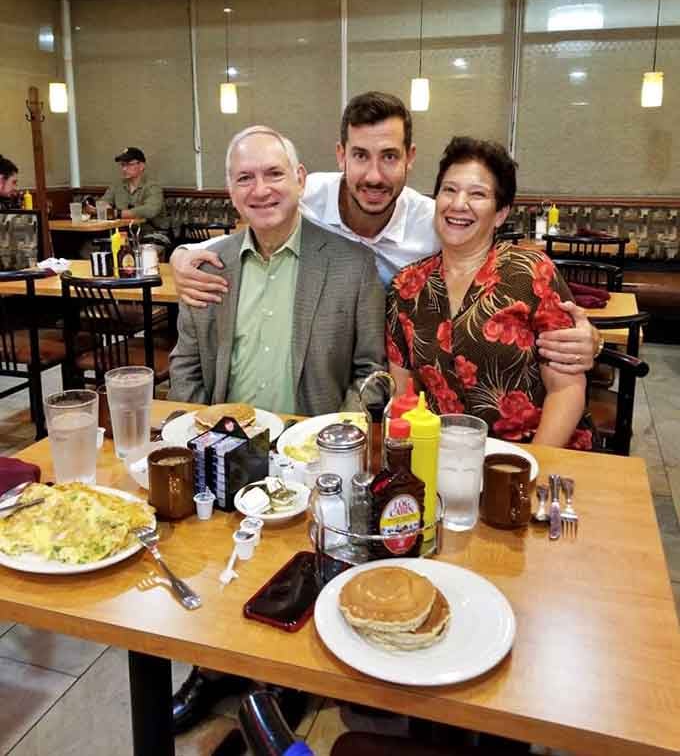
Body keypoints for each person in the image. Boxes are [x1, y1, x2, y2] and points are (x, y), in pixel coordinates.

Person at [168, 124, 385, 732]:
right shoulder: (208, 265)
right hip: (223, 444)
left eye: (273, 174)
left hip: (306, 452)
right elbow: (186, 360)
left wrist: (331, 444)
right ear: (230, 191)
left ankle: (280, 676)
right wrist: (189, 430)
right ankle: (212, 669)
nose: (260, 189)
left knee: (289, 570)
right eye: (245, 178)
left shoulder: (350, 265)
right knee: (216, 566)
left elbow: (371, 372)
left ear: (301, 179)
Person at [169, 91, 599, 373]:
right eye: (360, 155)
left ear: (410, 158)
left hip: (393, 371)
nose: (374, 175)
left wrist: (591, 339)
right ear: (340, 155)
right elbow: (222, 243)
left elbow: (503, 278)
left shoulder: (436, 222)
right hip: (319, 361)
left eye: (389, 157)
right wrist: (179, 256)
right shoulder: (302, 194)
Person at [387, 136, 591, 448]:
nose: (458, 204)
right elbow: (403, 394)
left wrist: (530, 465)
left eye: (477, 194)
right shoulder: (407, 286)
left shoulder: (532, 273)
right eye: (449, 190)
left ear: (500, 213)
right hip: (443, 456)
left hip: (531, 453)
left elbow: (566, 389)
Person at [86, 146, 167, 233]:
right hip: (122, 233)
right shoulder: (117, 185)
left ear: (142, 166)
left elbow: (149, 211)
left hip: (152, 233)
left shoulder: (153, 186)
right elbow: (104, 201)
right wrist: (99, 207)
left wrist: (117, 213)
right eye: (123, 165)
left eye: (129, 164)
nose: (124, 169)